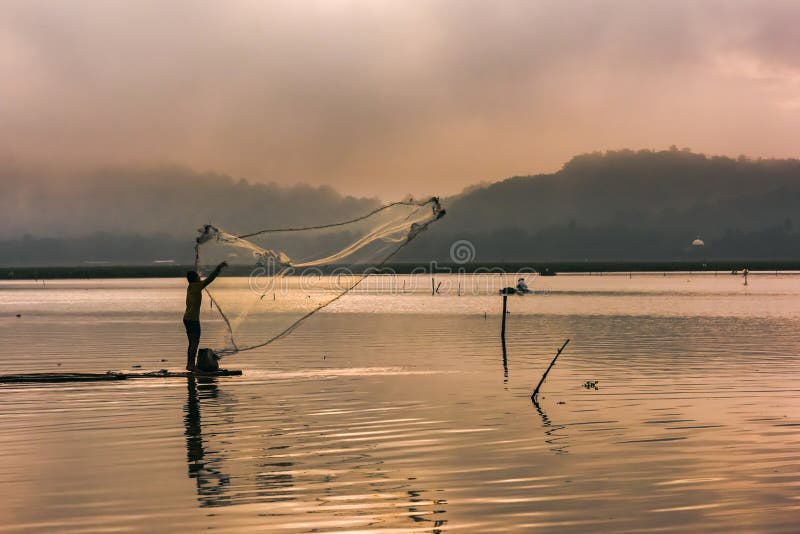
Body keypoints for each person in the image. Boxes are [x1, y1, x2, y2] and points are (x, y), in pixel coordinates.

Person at [183, 262, 227, 372]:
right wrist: (218, 267)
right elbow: (210, 279)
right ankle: (191, 366)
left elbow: (199, 279)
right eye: (198, 276)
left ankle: (190, 365)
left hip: (187, 319)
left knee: (192, 343)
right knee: (194, 343)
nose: (199, 277)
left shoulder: (190, 286)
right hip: (192, 320)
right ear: (194, 279)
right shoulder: (196, 286)